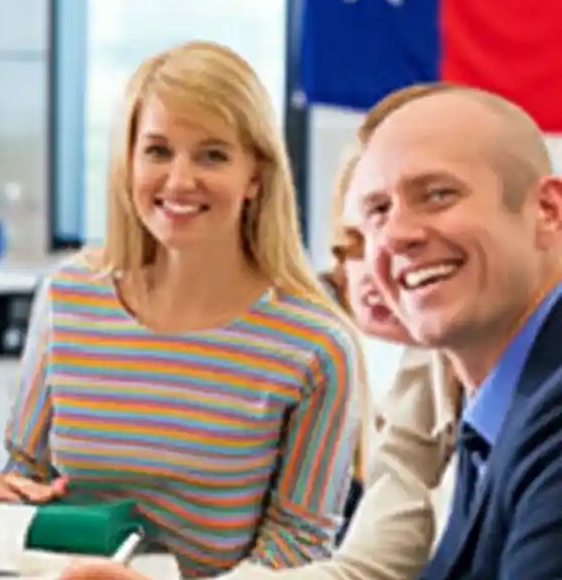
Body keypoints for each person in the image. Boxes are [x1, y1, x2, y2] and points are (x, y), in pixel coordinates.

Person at [0, 41, 365, 579]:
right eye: (158, 151)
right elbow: (25, 472)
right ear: (129, 161)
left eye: (212, 154)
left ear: (255, 175)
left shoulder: (316, 345)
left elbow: (301, 545)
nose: (180, 181)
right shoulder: (67, 298)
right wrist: (7, 496)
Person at [60, 100, 462, 580]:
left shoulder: (323, 347)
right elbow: (368, 568)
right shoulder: (423, 370)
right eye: (352, 245)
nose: (376, 264)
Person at [349, 84, 562, 580]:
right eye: (378, 211)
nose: (398, 234)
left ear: (548, 212)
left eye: (438, 194)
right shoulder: (492, 412)